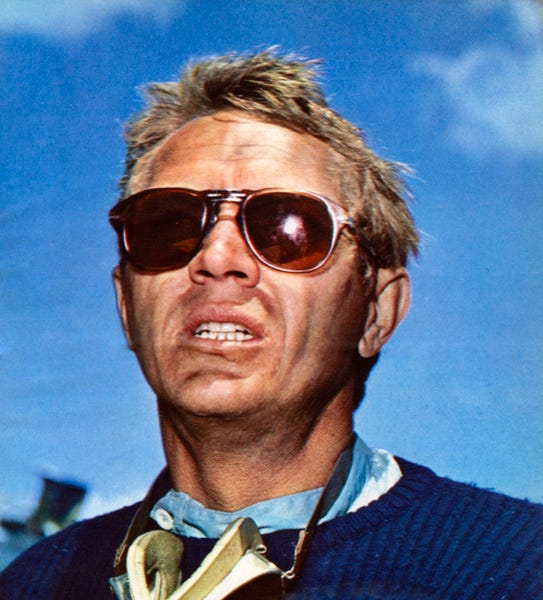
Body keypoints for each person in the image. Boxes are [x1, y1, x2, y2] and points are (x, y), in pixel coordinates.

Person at [1, 49, 541, 600]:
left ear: (377, 312)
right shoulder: (33, 584)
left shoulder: (520, 566)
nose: (217, 258)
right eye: (168, 226)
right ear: (126, 305)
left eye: (288, 229)